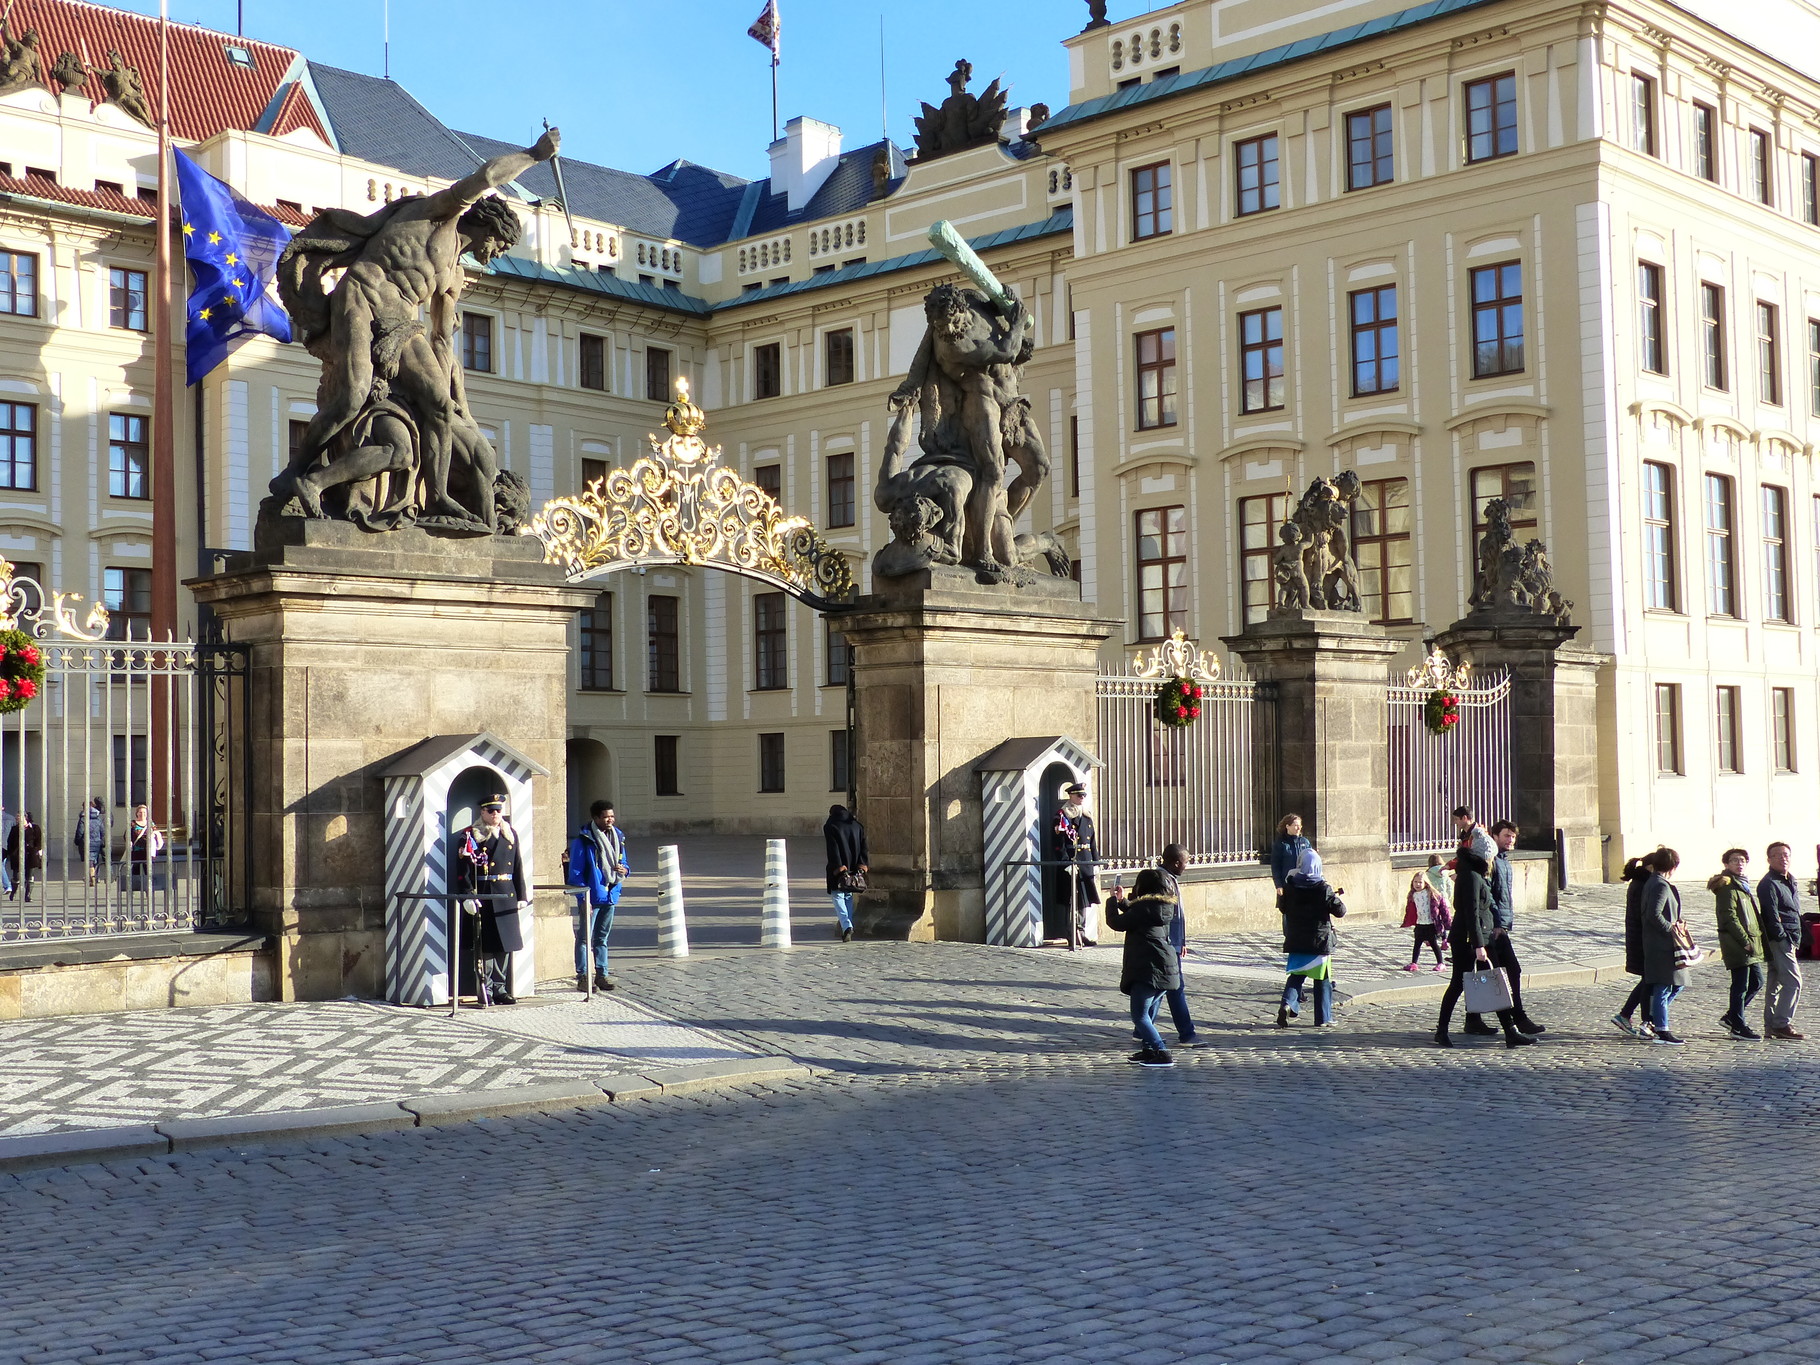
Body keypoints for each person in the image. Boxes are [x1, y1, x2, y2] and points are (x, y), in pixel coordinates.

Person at [1435, 846, 1533, 1049]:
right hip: (1470, 940)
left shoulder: (1474, 873)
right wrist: (1478, 944)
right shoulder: (1470, 875)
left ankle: (1510, 1031)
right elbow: (1471, 912)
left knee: (1496, 982)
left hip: (1482, 937)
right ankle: (1441, 1030)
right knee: (1458, 984)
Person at [1465, 820, 1544, 1037]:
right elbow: (1488, 896)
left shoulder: (1503, 861)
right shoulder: (1490, 861)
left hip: (1500, 926)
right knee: (1503, 973)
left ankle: (1474, 1019)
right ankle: (1515, 1019)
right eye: (1507, 836)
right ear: (1495, 836)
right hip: (1491, 927)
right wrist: (1498, 923)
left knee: (1489, 973)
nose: (1511, 840)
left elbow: (1503, 896)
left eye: (1513, 837)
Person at [452, 795, 527, 1006]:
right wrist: (467, 894)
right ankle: (485, 990)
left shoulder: (510, 834)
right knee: (485, 947)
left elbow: (518, 866)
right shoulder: (470, 835)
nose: (495, 815)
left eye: (498, 811)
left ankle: (501, 988)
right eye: (491, 811)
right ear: (482, 813)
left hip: (506, 894)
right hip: (484, 894)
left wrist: (521, 896)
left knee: (505, 946)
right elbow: (463, 870)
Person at [1103, 866, 1181, 1067]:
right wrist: (1123, 902)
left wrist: (1112, 901)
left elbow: (1117, 922)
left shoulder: (1144, 909)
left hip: (1148, 971)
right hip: (1164, 969)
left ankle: (1161, 1051)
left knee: (1139, 1015)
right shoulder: (1161, 907)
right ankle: (1149, 1050)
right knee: (1149, 1012)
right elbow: (1138, 915)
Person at [1277, 847, 1345, 1028]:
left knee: (1297, 975)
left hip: (1296, 939)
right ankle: (1323, 1017)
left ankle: (1287, 1003)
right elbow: (1340, 911)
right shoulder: (1323, 888)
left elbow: (1283, 907)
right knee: (1322, 979)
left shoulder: (1290, 885)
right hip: (1319, 940)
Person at [567, 799, 628, 991]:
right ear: (596, 818)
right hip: (592, 896)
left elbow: (625, 862)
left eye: (612, 816)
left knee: (602, 938)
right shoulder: (583, 841)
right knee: (585, 938)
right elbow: (575, 873)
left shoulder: (618, 837)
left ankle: (602, 975)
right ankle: (583, 976)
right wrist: (583, 897)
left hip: (611, 893)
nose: (610, 820)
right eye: (606, 817)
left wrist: (624, 870)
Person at [1711, 847, 1763, 1040]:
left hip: (1750, 941)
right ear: (1726, 864)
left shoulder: (1742, 885)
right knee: (1740, 985)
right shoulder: (1727, 886)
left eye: (1742, 860)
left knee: (1757, 982)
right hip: (1738, 943)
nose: (1739, 863)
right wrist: (1744, 941)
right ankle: (1738, 1026)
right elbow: (1729, 917)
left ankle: (1732, 1017)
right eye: (1734, 860)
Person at [1638, 847, 1689, 1046]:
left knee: (1677, 983)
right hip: (1662, 944)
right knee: (1664, 986)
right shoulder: (1660, 885)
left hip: (1659, 943)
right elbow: (1654, 914)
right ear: (1673, 866)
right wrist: (1672, 929)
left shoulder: (1655, 882)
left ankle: (1653, 1020)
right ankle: (1661, 1028)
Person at [1757, 841, 1805, 1041]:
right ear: (1769, 859)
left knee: (1775, 983)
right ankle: (1782, 1023)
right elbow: (1771, 914)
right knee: (1794, 982)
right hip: (1779, 939)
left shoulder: (1790, 880)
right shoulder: (1769, 883)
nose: (1783, 858)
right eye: (1777, 855)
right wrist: (1783, 937)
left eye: (1786, 855)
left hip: (1791, 936)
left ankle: (1771, 1026)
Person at [1611, 852, 1658, 1037]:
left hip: (1639, 937)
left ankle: (1626, 1014)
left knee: (1648, 979)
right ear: (1651, 867)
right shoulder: (1645, 884)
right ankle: (1644, 1020)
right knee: (1649, 980)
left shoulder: (1641, 881)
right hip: (1642, 938)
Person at [1053, 781, 1100, 947]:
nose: (1082, 798)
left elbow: (1092, 840)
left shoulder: (1086, 816)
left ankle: (1082, 932)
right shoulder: (1062, 816)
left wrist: (1096, 860)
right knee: (1071, 899)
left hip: (1085, 862)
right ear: (1071, 795)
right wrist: (1065, 861)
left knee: (1084, 900)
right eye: (1079, 795)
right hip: (1071, 863)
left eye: (1084, 796)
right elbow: (1058, 843)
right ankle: (1071, 933)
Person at [823, 804, 868, 943]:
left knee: (837, 895)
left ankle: (846, 925)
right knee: (848, 895)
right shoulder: (857, 825)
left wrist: (838, 867)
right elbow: (864, 847)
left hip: (840, 866)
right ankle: (847, 925)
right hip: (854, 866)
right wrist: (862, 864)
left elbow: (833, 848)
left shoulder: (831, 826)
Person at [1403, 859, 1448, 972]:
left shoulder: (1432, 894)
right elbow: (1411, 909)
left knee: (1433, 944)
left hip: (1430, 924)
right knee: (1417, 944)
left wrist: (1446, 923)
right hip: (1420, 923)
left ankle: (1440, 963)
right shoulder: (1412, 895)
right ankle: (1414, 963)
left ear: (1426, 883)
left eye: (1420, 882)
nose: (1417, 884)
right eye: (1415, 882)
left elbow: (1442, 909)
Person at [5, 809, 42, 903]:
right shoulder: (15, 829)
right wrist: (11, 853)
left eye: (19, 816)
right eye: (17, 816)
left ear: (25, 817)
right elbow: (10, 842)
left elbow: (39, 841)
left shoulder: (35, 828)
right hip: (18, 855)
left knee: (29, 877)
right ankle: (13, 892)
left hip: (31, 855)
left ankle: (28, 895)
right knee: (16, 877)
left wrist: (37, 850)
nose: (17, 818)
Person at [74, 797, 106, 888]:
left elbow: (80, 831)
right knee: (95, 859)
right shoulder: (98, 819)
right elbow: (102, 831)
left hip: (86, 843)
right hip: (96, 842)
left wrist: (77, 841)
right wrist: (101, 840)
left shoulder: (83, 819)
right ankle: (96, 876)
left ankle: (92, 876)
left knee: (90, 861)